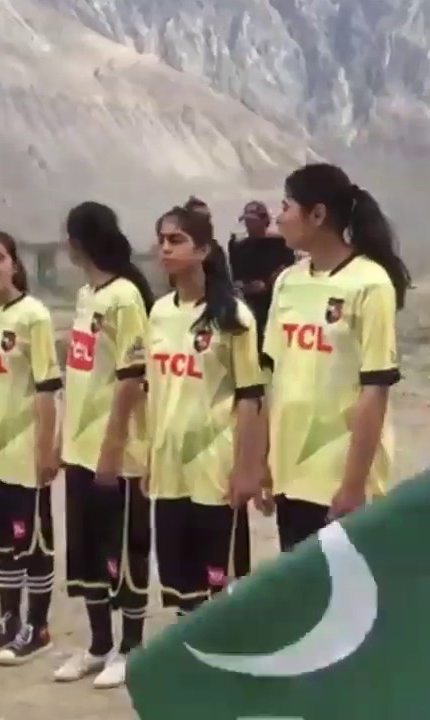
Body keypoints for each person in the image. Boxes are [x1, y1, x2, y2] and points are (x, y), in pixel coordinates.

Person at [264, 162, 410, 551]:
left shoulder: (370, 284)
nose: (279, 217)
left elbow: (375, 389)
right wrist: (264, 461)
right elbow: (274, 378)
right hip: (290, 473)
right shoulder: (288, 281)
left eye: (286, 206)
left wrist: (353, 484)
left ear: (317, 215)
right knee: (300, 586)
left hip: (338, 477)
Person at [54, 201, 154, 689]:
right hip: (79, 447)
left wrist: (113, 447)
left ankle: (131, 645)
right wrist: (64, 435)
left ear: (78, 243)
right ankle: (98, 644)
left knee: (124, 549)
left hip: (116, 451)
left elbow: (131, 378)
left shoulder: (125, 297)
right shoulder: (85, 296)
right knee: (88, 550)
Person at [147, 207, 265, 616]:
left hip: (215, 469)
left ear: (203, 250)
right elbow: (157, 390)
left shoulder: (233, 317)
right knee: (182, 587)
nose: (165, 248)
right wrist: (150, 452)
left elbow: (250, 397)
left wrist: (247, 469)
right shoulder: (159, 313)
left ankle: (228, 653)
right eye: (162, 240)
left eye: (176, 240)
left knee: (219, 587)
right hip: (169, 468)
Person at [0, 230, 64, 666]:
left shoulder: (33, 316)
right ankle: (8, 620)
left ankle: (37, 627)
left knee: (32, 545)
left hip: (23, 454)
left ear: (14, 263)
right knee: (1, 545)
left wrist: (46, 449)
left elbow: (47, 389)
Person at [227, 200, 296, 349]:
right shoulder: (239, 248)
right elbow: (235, 280)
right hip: (251, 306)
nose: (249, 225)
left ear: (265, 221)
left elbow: (289, 270)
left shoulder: (281, 243)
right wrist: (247, 288)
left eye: (253, 221)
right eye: (247, 221)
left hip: (277, 304)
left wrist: (269, 283)